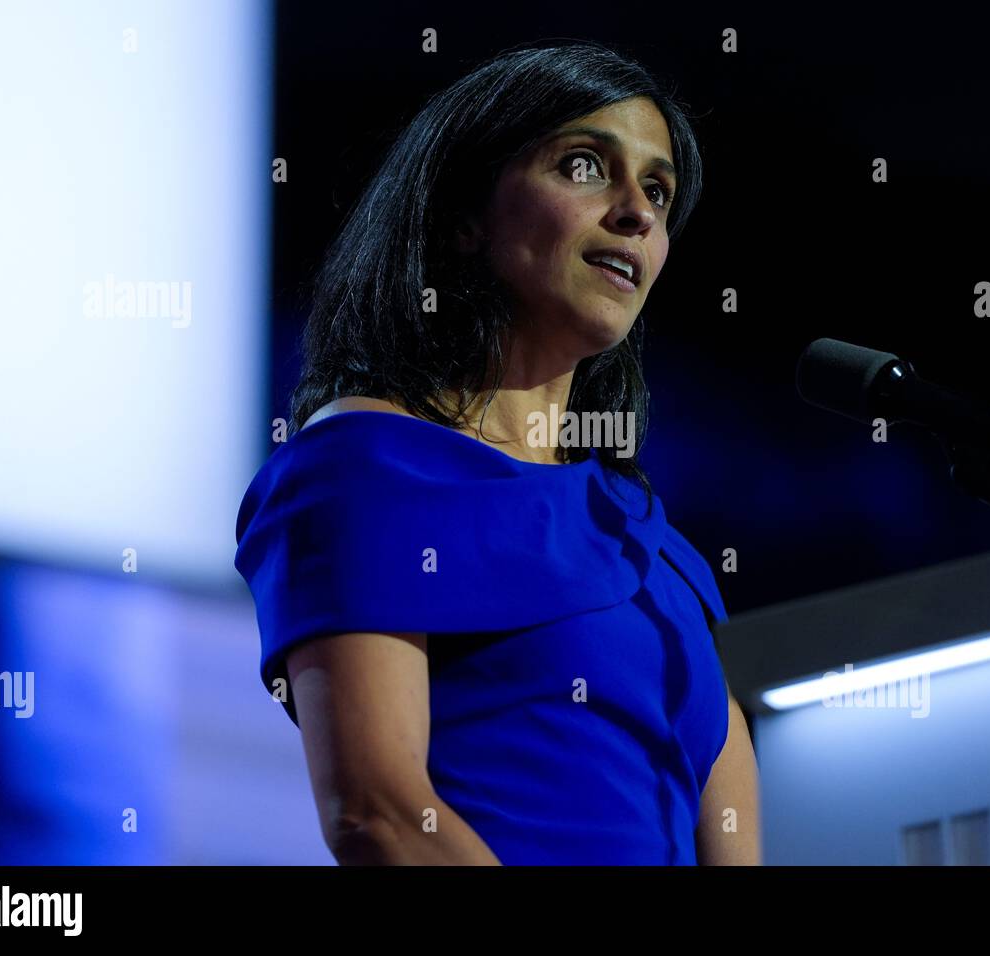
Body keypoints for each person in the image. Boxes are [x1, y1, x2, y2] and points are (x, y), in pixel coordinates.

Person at [235, 41, 760, 865]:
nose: (637, 211)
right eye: (586, 166)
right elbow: (383, 816)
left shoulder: (654, 549)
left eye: (657, 189)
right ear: (464, 218)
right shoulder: (367, 472)